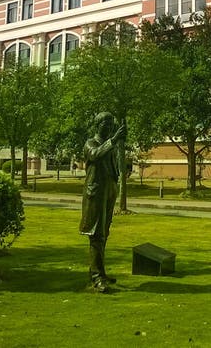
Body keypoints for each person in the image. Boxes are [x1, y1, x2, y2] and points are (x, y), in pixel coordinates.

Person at [79, 112, 126, 292]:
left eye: (111, 125)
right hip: (96, 193)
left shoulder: (111, 146)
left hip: (109, 193)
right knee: (96, 234)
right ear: (97, 125)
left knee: (103, 234)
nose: (109, 128)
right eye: (106, 124)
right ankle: (96, 277)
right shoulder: (90, 143)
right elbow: (95, 155)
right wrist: (114, 140)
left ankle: (100, 272)